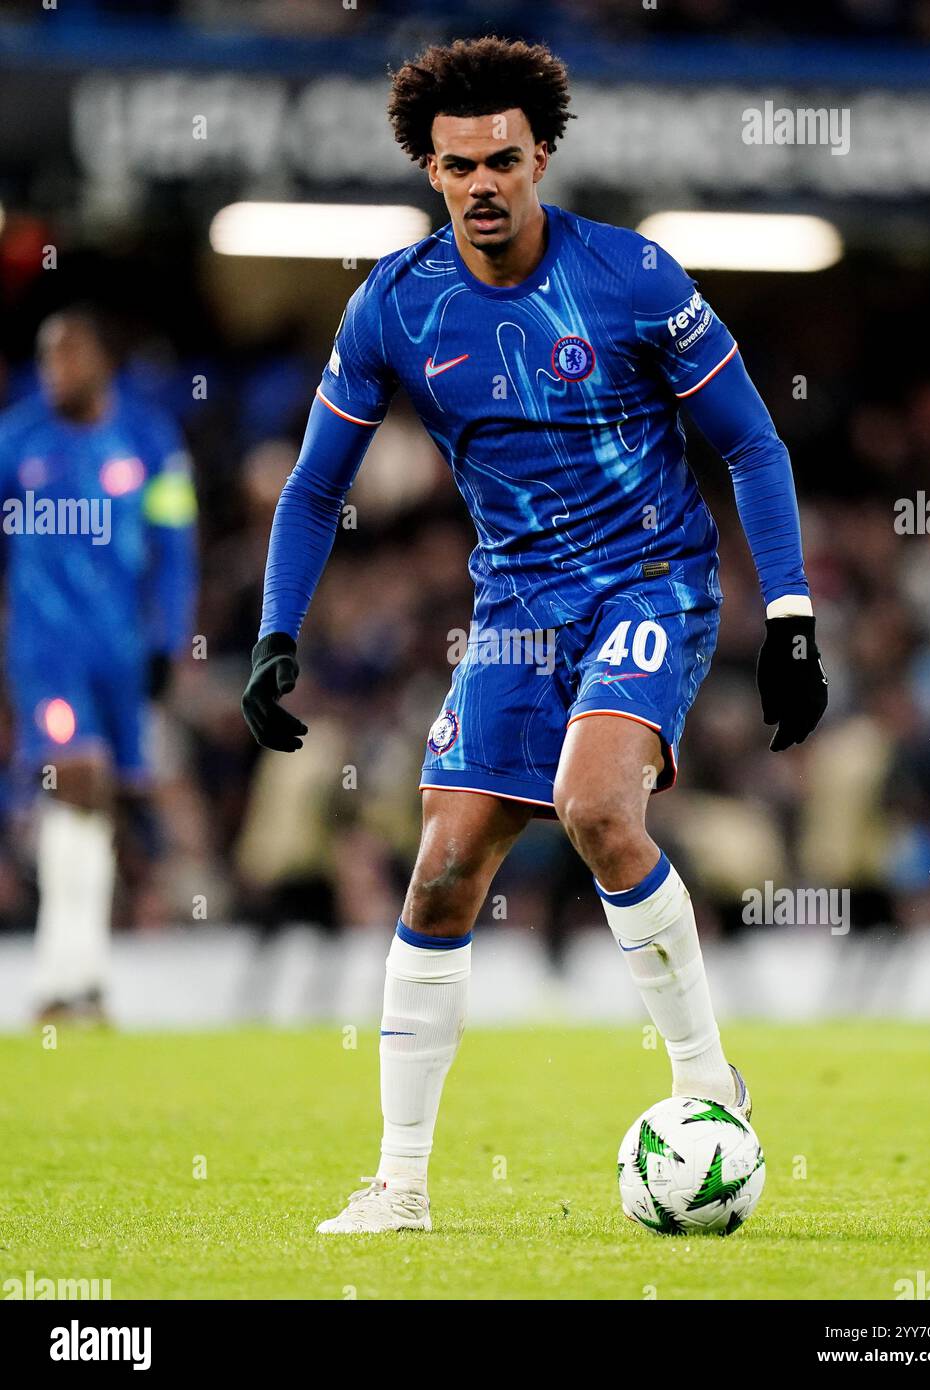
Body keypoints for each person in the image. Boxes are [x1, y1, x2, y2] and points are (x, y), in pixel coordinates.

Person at [242, 37, 828, 1233]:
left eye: (504, 158)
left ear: (542, 155)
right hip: (515, 610)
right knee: (444, 863)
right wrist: (273, 634)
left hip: (650, 583)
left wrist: (791, 614)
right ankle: (400, 1184)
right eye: (458, 166)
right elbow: (310, 491)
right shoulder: (394, 306)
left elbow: (753, 443)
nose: (483, 184)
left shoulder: (635, 277)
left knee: (599, 807)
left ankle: (708, 1086)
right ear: (431, 171)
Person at [0, 307, 197, 1021]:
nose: (57, 370)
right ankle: (62, 977)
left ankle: (84, 979)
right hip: (46, 650)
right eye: (48, 357)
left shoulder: (150, 440)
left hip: (123, 651)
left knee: (103, 797)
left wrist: (171, 639)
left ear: (101, 362)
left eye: (70, 355)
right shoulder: (16, 441)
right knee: (74, 777)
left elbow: (175, 548)